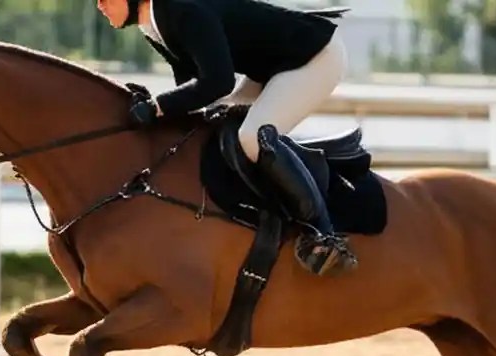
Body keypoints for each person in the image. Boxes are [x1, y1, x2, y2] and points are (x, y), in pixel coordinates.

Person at [96, 0, 355, 276]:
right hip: (275, 65)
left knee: (253, 137)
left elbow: (218, 82)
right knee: (215, 122)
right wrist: (157, 107)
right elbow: (191, 85)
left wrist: (157, 107)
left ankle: (324, 235)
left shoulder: (183, 10)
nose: (100, 5)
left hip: (314, 57)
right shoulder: (154, 23)